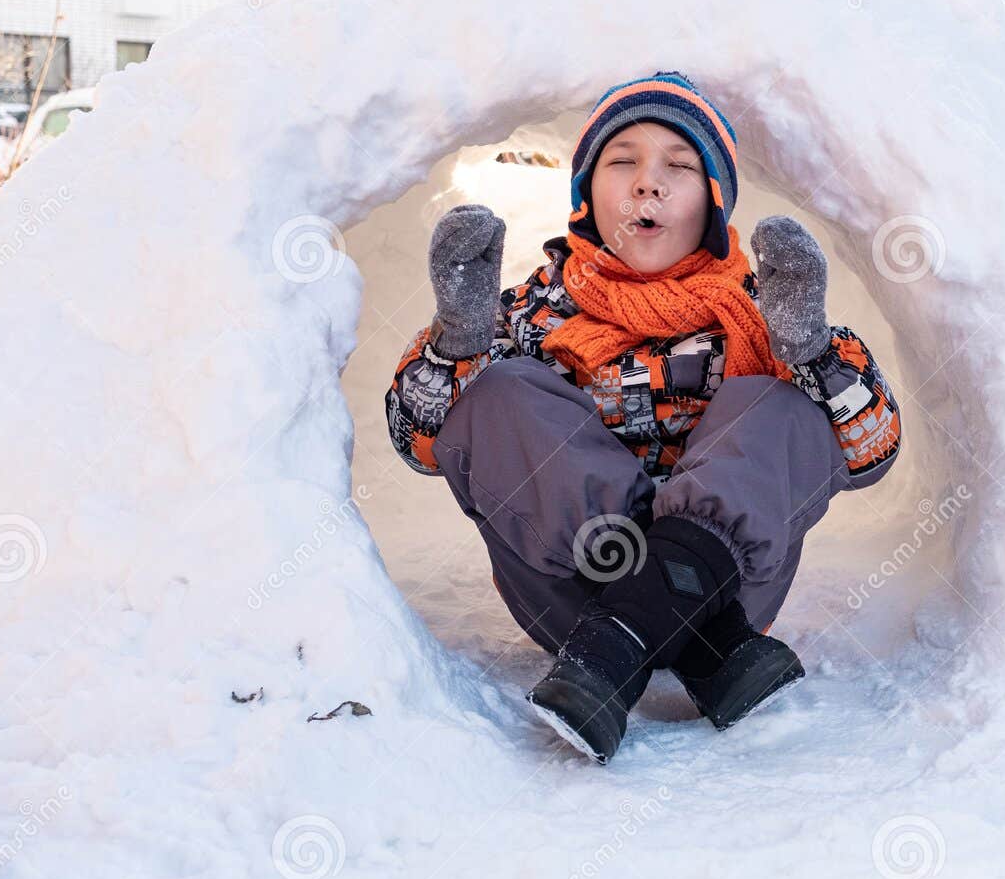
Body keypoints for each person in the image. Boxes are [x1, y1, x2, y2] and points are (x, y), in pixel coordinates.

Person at [385, 70, 901, 763]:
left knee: (779, 406)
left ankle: (621, 651)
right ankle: (711, 651)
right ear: (584, 195)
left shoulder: (763, 311)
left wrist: (812, 352)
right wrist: (458, 343)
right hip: (572, 598)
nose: (646, 183)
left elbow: (871, 449)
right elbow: (420, 441)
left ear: (715, 202)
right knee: (502, 392)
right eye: (621, 161)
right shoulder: (535, 312)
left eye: (678, 167)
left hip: (731, 581)